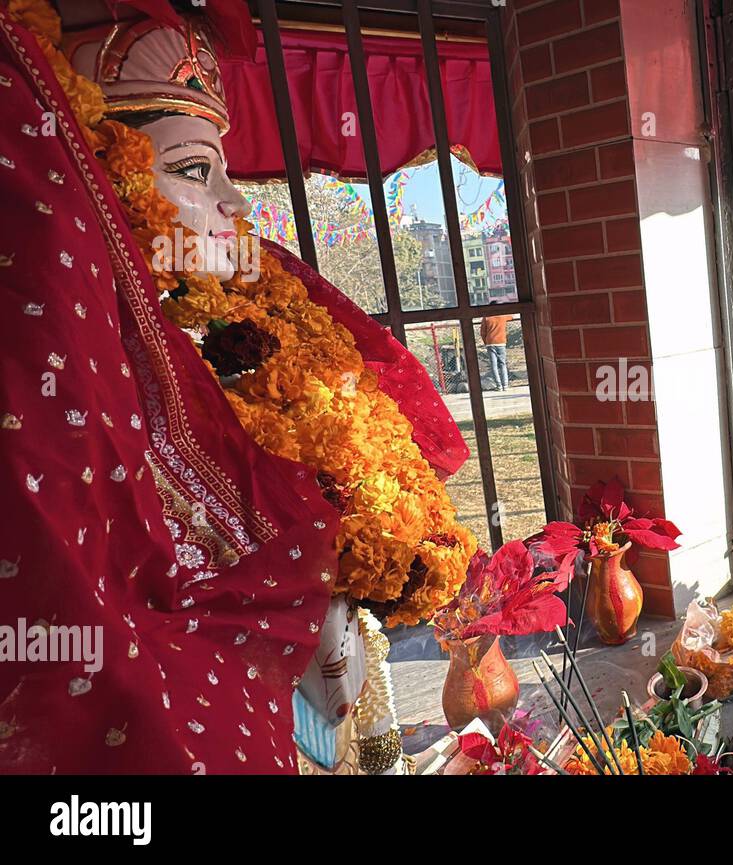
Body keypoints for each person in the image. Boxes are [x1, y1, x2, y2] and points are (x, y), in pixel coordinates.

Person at [2, 1, 473, 773]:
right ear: (108, 184)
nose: (236, 200)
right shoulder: (96, 374)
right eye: (192, 169)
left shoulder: (265, 314)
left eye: (222, 166)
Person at [481, 305, 512, 390]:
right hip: (501, 342)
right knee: (502, 364)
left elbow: (482, 332)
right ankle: (505, 385)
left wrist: (486, 342)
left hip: (490, 343)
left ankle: (499, 386)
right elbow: (511, 316)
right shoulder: (503, 316)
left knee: (493, 365)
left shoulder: (486, 317)